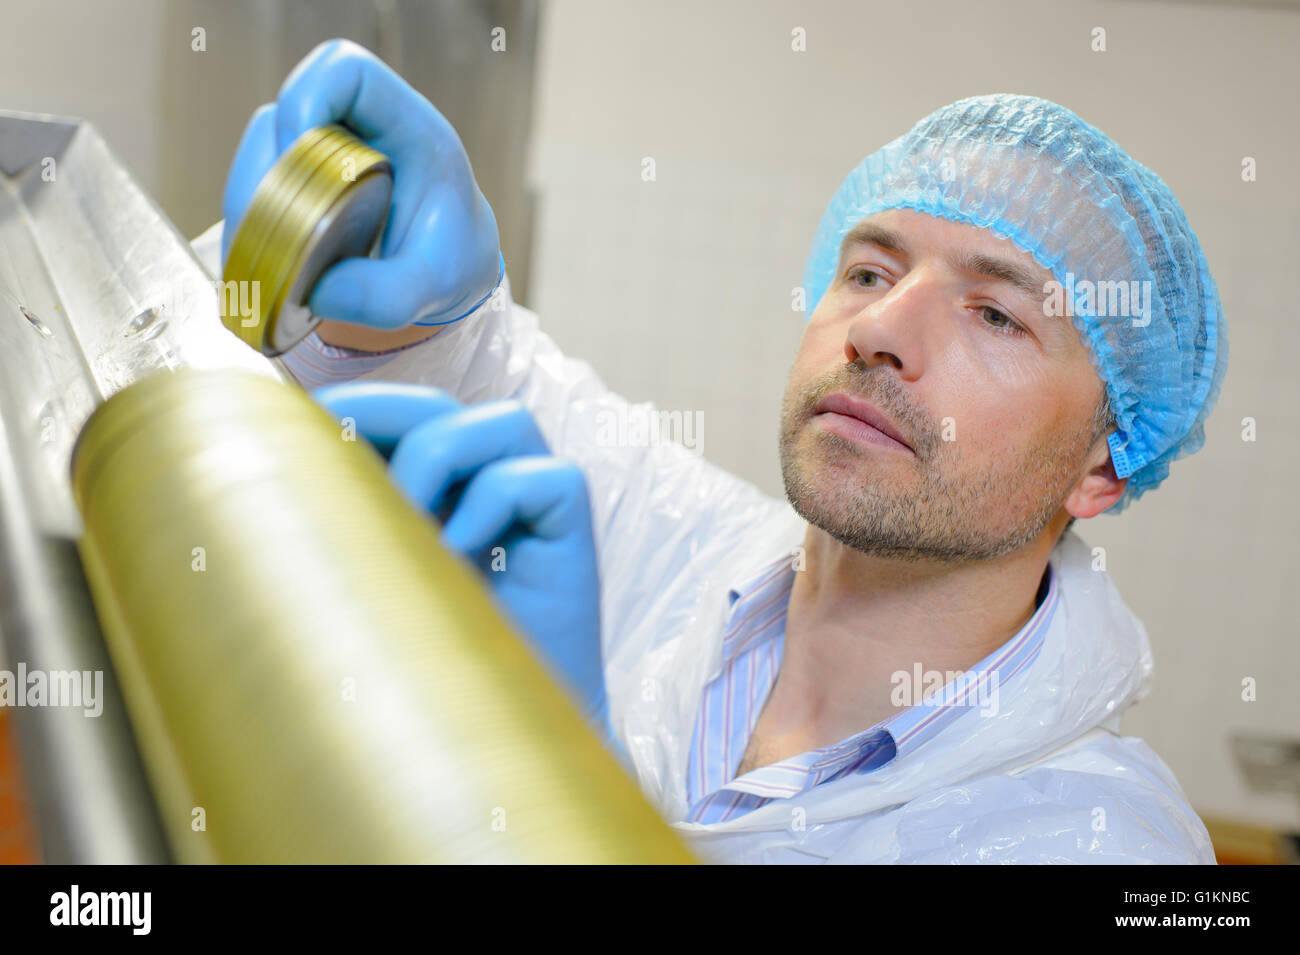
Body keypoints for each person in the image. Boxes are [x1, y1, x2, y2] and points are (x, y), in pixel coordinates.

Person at [191, 39, 1227, 864]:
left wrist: (566, 803)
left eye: (996, 315)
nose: (881, 332)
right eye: (869, 272)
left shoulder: (1102, 845)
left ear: (1103, 464)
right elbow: (494, 379)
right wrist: (407, 309)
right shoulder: (693, 550)